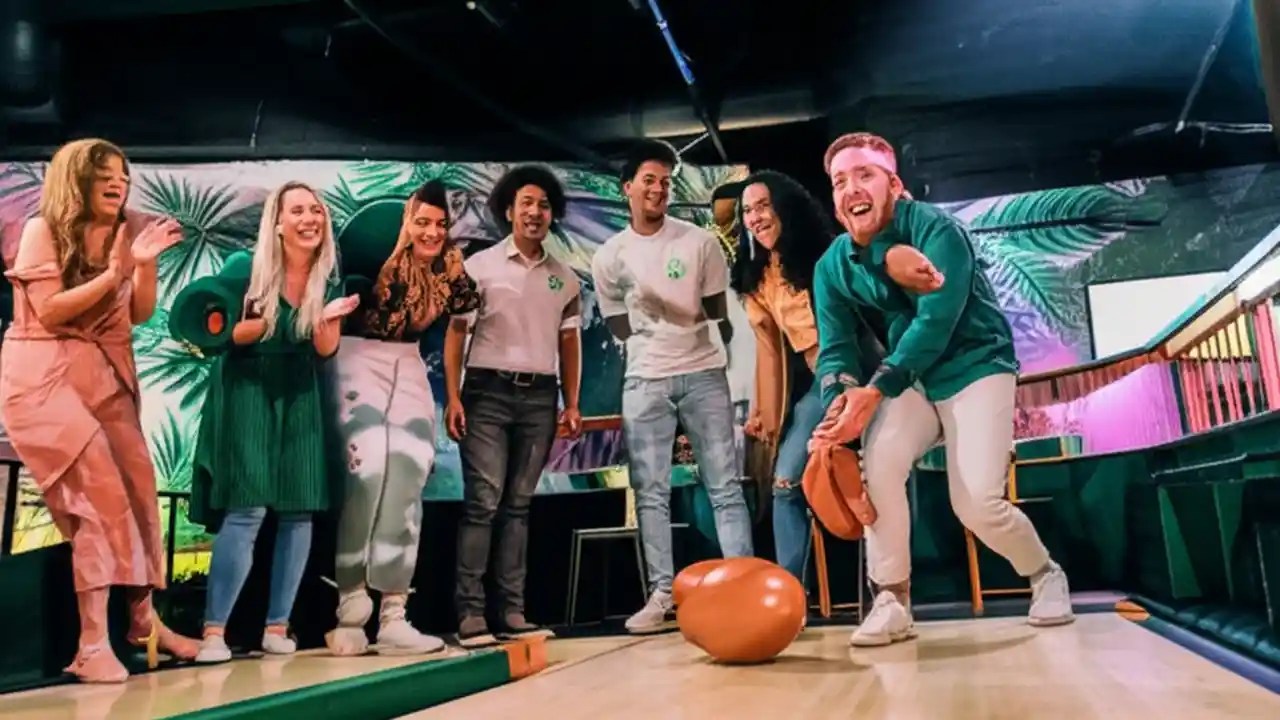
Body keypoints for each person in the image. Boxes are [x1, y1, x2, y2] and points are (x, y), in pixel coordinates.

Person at [808, 132, 1075, 647]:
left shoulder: (939, 230)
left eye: (865, 174)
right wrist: (838, 400)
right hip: (913, 378)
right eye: (839, 181)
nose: (851, 188)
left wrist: (878, 387)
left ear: (895, 185)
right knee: (878, 461)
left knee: (975, 502)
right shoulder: (831, 266)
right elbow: (835, 348)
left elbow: (937, 322)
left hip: (977, 364)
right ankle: (892, 599)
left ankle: (1045, 574)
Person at [0, 138, 198, 683]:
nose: (118, 183)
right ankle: (91, 643)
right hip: (43, 372)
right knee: (95, 493)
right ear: (75, 180)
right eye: (104, 175)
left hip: (106, 368)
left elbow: (138, 312)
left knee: (137, 491)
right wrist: (114, 273)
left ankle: (143, 624)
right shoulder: (44, 230)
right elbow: (49, 309)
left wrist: (144, 264)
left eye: (123, 175)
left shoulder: (129, 226)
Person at [170, 181, 360, 664]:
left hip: (299, 390)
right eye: (297, 210)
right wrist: (252, 327)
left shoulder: (327, 280)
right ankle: (215, 631)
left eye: (316, 210)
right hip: (247, 389)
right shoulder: (243, 273)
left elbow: (323, 351)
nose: (309, 218)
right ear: (277, 222)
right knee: (247, 508)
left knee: (298, 509)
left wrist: (328, 320)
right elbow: (211, 334)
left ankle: (278, 626)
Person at [732, 169, 941, 591]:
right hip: (821, 384)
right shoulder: (756, 279)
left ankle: (900, 582)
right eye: (747, 211)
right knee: (786, 482)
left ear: (785, 208)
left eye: (763, 206)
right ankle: (789, 594)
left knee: (885, 469)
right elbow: (770, 355)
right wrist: (764, 416)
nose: (755, 217)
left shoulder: (826, 257)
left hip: (872, 372)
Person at [591, 139, 754, 635]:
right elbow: (617, 326)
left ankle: (742, 588)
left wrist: (678, 316)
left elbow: (718, 317)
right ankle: (663, 595)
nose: (659, 189)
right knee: (651, 492)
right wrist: (650, 329)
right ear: (628, 189)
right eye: (649, 180)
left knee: (725, 485)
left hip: (704, 372)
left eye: (665, 181)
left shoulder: (699, 243)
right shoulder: (609, 255)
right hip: (645, 380)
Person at [325, 180, 479, 657]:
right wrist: (404, 255)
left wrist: (454, 393)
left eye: (440, 224)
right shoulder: (383, 258)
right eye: (422, 222)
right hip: (357, 356)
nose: (432, 232)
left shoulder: (450, 264)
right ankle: (350, 609)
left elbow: (464, 313)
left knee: (409, 473)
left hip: (407, 360)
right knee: (367, 470)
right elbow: (385, 313)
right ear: (407, 222)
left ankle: (394, 613)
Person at [443, 164, 583, 647]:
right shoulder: (479, 267)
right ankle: (471, 614)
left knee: (519, 506)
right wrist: (455, 395)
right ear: (509, 210)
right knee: (483, 502)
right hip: (487, 392)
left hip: (541, 396)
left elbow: (570, 345)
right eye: (527, 203)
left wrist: (573, 402)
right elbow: (456, 333)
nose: (535, 212)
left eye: (544, 205)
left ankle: (514, 612)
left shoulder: (565, 280)